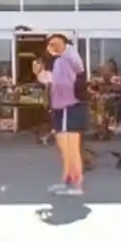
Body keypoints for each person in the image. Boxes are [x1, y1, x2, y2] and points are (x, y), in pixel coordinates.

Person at [45, 33, 88, 196]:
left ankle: (77, 184)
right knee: (64, 148)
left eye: (56, 43)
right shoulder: (58, 62)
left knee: (72, 147)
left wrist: (66, 48)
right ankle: (66, 180)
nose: (52, 47)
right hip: (59, 107)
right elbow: (51, 80)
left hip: (70, 105)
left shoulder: (70, 55)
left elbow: (78, 66)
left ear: (65, 44)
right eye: (50, 44)